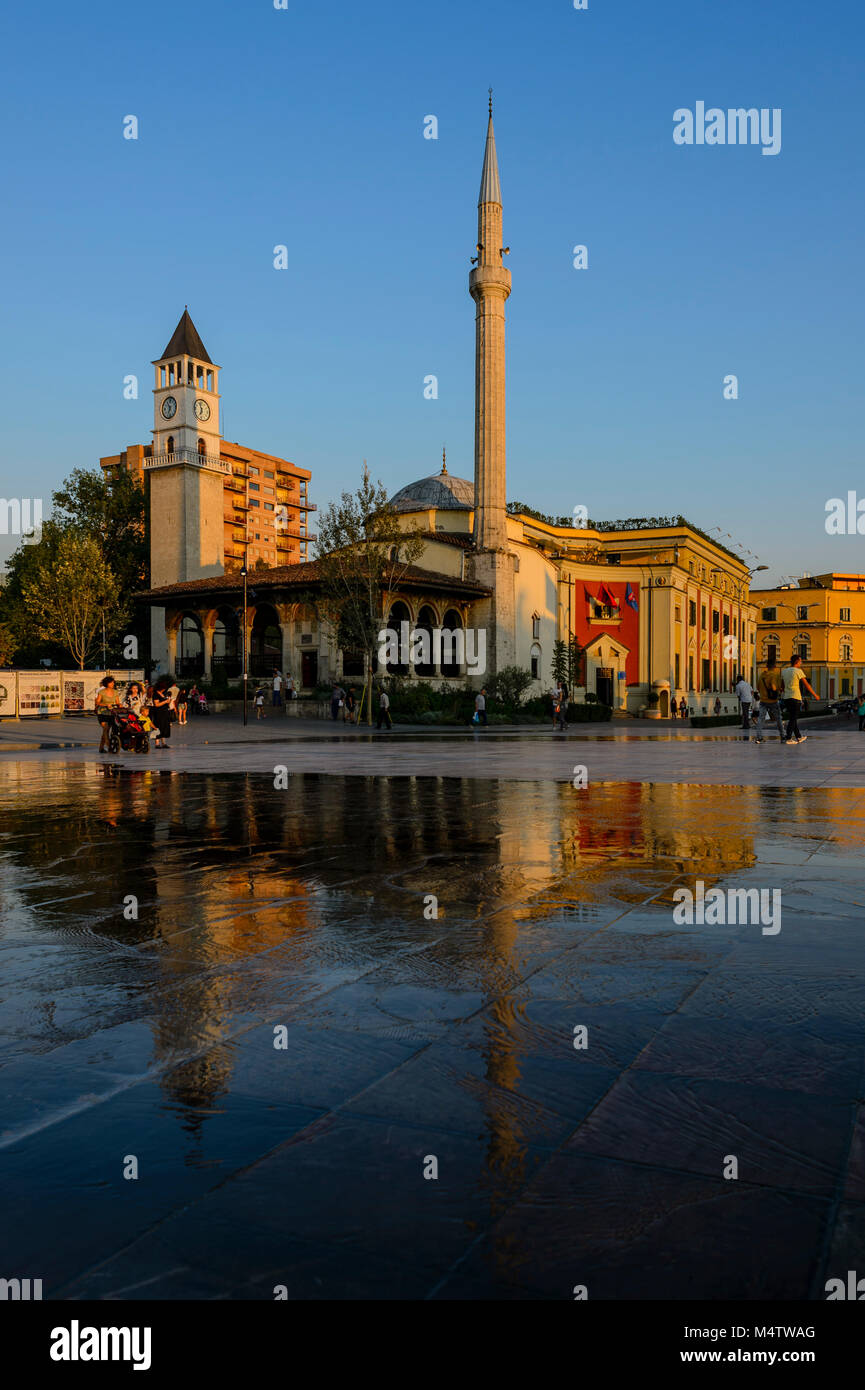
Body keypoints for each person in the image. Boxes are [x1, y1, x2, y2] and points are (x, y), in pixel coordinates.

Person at [781, 654, 817, 745]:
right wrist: (815, 695)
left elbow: (782, 686)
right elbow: (806, 685)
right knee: (793, 718)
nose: (801, 663)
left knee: (793, 717)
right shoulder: (798, 671)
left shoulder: (784, 671)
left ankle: (799, 737)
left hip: (786, 698)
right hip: (795, 697)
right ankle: (788, 738)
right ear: (797, 661)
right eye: (801, 661)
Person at [754, 659, 786, 743]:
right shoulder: (775, 675)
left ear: (767, 666)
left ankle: (759, 737)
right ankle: (783, 736)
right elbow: (775, 687)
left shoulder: (762, 675)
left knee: (761, 719)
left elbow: (758, 687)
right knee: (778, 718)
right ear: (775, 666)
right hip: (773, 701)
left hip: (763, 701)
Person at [95, 676, 121, 754]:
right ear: (107, 683)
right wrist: (106, 705)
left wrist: (120, 705)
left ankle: (101, 748)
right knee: (105, 728)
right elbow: (97, 702)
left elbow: (117, 702)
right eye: (111, 682)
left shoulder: (115, 692)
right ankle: (109, 746)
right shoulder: (101, 692)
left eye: (113, 682)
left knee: (106, 730)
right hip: (102, 713)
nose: (113, 684)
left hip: (111, 713)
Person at [150, 676, 173, 749]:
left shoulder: (164, 693)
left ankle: (163, 743)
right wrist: (165, 701)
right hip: (158, 713)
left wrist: (168, 701)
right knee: (158, 727)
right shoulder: (155, 694)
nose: (164, 689)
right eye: (163, 688)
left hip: (165, 712)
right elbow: (156, 704)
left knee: (164, 727)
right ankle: (157, 743)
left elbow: (165, 702)